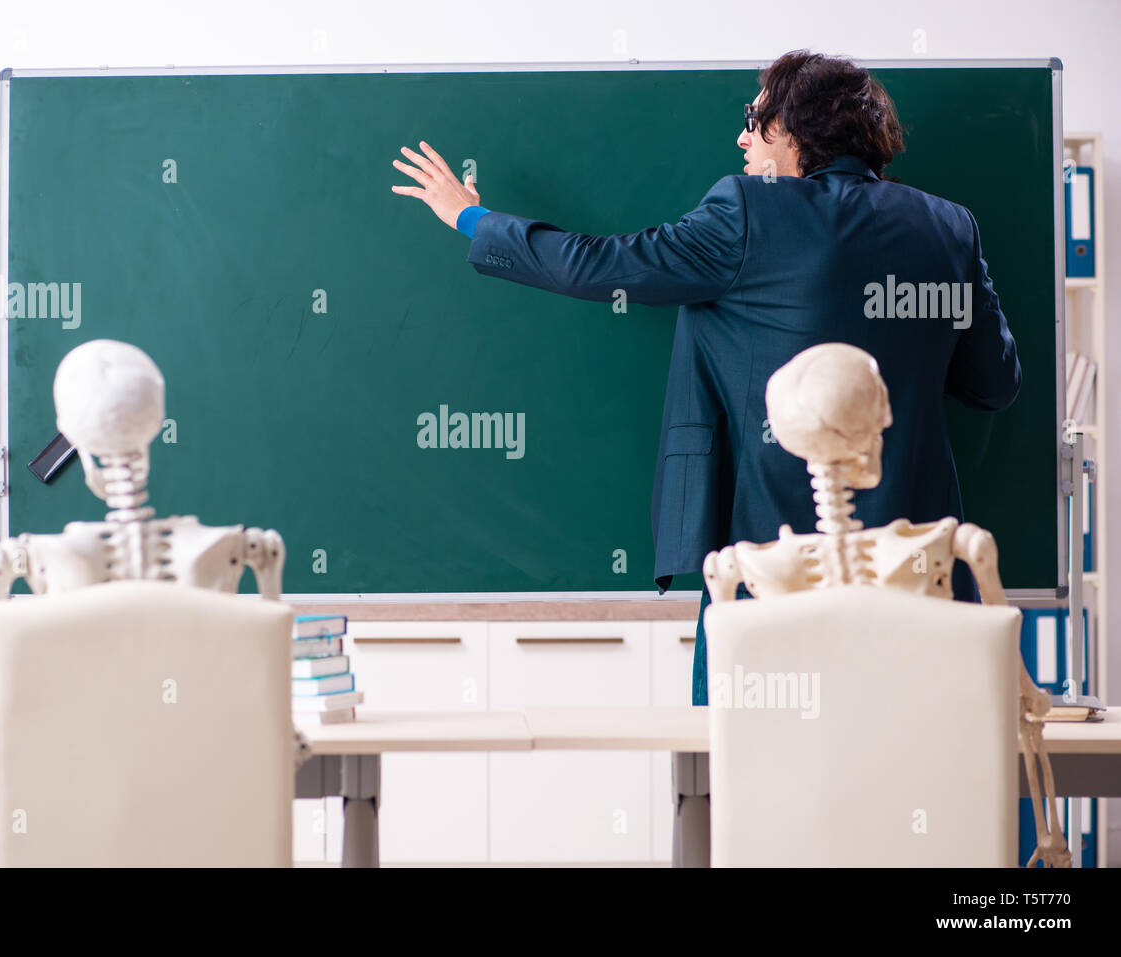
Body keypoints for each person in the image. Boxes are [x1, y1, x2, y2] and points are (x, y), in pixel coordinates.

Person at [391, 50, 1021, 705]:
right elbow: (995, 384)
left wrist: (472, 218)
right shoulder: (950, 226)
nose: (742, 138)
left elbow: (598, 265)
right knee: (918, 780)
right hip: (924, 585)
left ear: (794, 130)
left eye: (755, 119)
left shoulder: (748, 213)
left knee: (747, 781)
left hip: (778, 578)